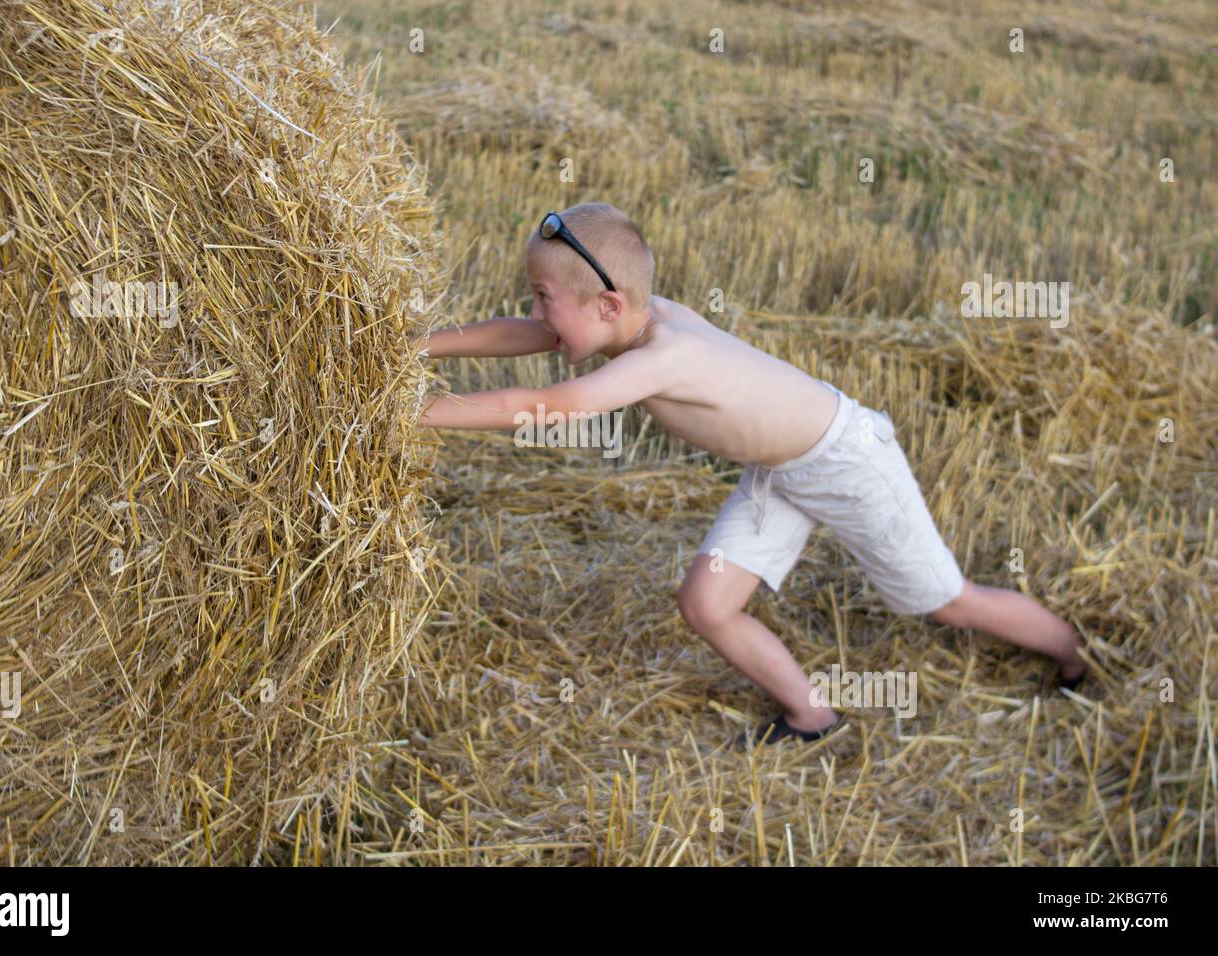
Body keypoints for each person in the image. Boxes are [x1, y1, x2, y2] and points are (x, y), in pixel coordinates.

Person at [416, 203, 1088, 746]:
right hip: (779, 472)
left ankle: (1073, 650)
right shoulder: (637, 319)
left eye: (542, 298)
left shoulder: (665, 355)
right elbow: (526, 336)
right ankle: (812, 716)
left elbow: (548, 406)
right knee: (705, 605)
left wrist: (416, 412)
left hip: (849, 462)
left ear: (609, 306)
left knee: (948, 600)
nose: (534, 314)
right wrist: (416, 345)